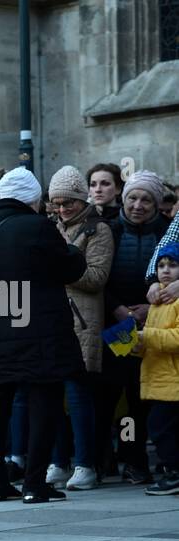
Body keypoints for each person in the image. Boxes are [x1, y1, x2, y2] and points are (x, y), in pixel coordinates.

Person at [0, 167, 87, 504]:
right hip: (41, 330)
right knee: (42, 402)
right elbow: (72, 268)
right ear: (32, 198)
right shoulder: (39, 226)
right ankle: (35, 484)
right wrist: (74, 251)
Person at [46, 165, 114, 491]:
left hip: (83, 322)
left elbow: (96, 278)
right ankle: (59, 461)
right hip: (54, 320)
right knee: (53, 394)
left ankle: (85, 463)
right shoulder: (51, 227)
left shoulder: (98, 229)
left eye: (68, 202)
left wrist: (58, 268)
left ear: (80, 198)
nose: (62, 209)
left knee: (78, 396)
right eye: (57, 203)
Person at [100, 170, 169, 485]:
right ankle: (111, 457)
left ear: (156, 205)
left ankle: (136, 458)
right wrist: (119, 310)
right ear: (123, 199)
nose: (138, 205)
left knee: (142, 397)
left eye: (146, 200)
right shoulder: (109, 231)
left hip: (155, 323)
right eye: (133, 198)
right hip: (118, 324)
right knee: (114, 393)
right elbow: (99, 277)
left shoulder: (168, 233)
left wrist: (149, 309)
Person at [135, 243, 179, 494]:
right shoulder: (157, 303)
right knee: (163, 427)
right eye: (161, 265)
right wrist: (134, 344)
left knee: (160, 427)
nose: (165, 270)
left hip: (173, 378)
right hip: (158, 376)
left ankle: (174, 472)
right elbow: (151, 341)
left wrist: (147, 336)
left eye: (172, 265)